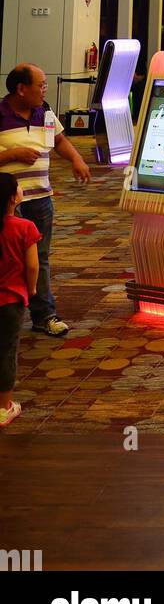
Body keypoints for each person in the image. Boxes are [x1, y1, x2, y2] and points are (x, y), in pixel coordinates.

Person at [0, 64, 91, 337]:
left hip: (40, 198)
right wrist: (12, 154)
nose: (44, 90)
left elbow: (59, 141)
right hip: (7, 204)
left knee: (39, 258)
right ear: (21, 88)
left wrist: (76, 159)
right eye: (40, 85)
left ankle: (44, 315)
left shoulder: (45, 112)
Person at [0, 173, 40, 426]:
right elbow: (33, 265)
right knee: (5, 352)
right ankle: (4, 406)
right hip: (11, 301)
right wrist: (32, 288)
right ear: (14, 197)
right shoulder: (25, 227)